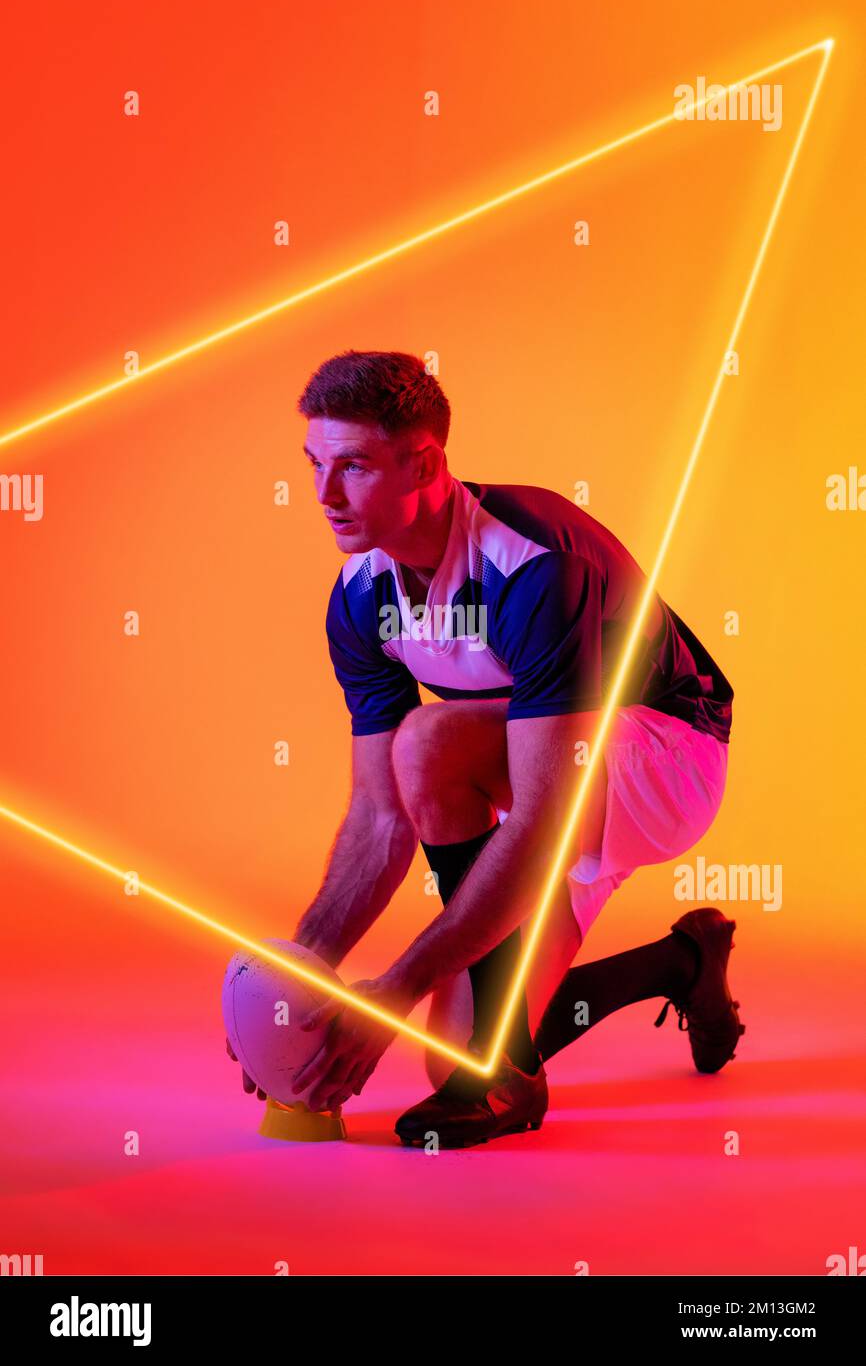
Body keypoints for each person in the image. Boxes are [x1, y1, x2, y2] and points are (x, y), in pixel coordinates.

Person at [227, 349, 744, 1149]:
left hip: (667, 756)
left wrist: (393, 989)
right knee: (453, 1057)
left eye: (354, 466)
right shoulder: (363, 597)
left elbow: (535, 819)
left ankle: (501, 1080)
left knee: (428, 741)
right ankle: (684, 964)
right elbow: (379, 817)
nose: (325, 496)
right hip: (554, 773)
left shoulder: (533, 565)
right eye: (315, 466)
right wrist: (291, 985)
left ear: (425, 461)